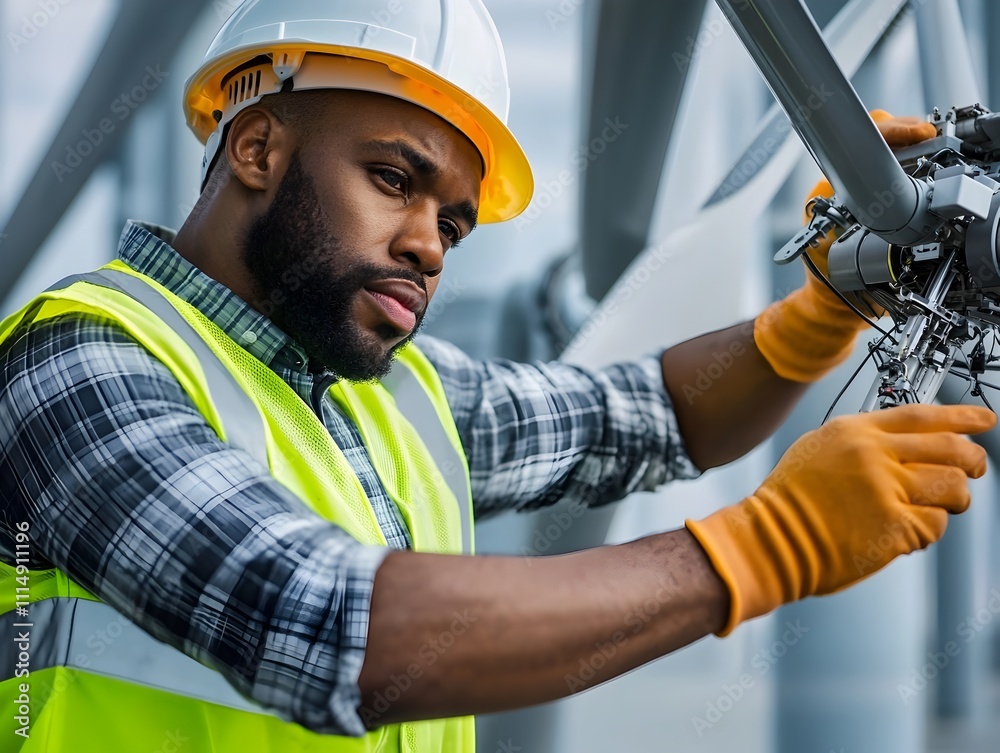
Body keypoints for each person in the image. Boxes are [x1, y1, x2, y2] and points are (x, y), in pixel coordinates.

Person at [0, 1, 993, 751]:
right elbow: (322, 624)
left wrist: (821, 311)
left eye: (454, 224)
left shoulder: (395, 393)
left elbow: (645, 417)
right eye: (396, 179)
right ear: (256, 145)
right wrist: (765, 547)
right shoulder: (85, 359)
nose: (431, 246)